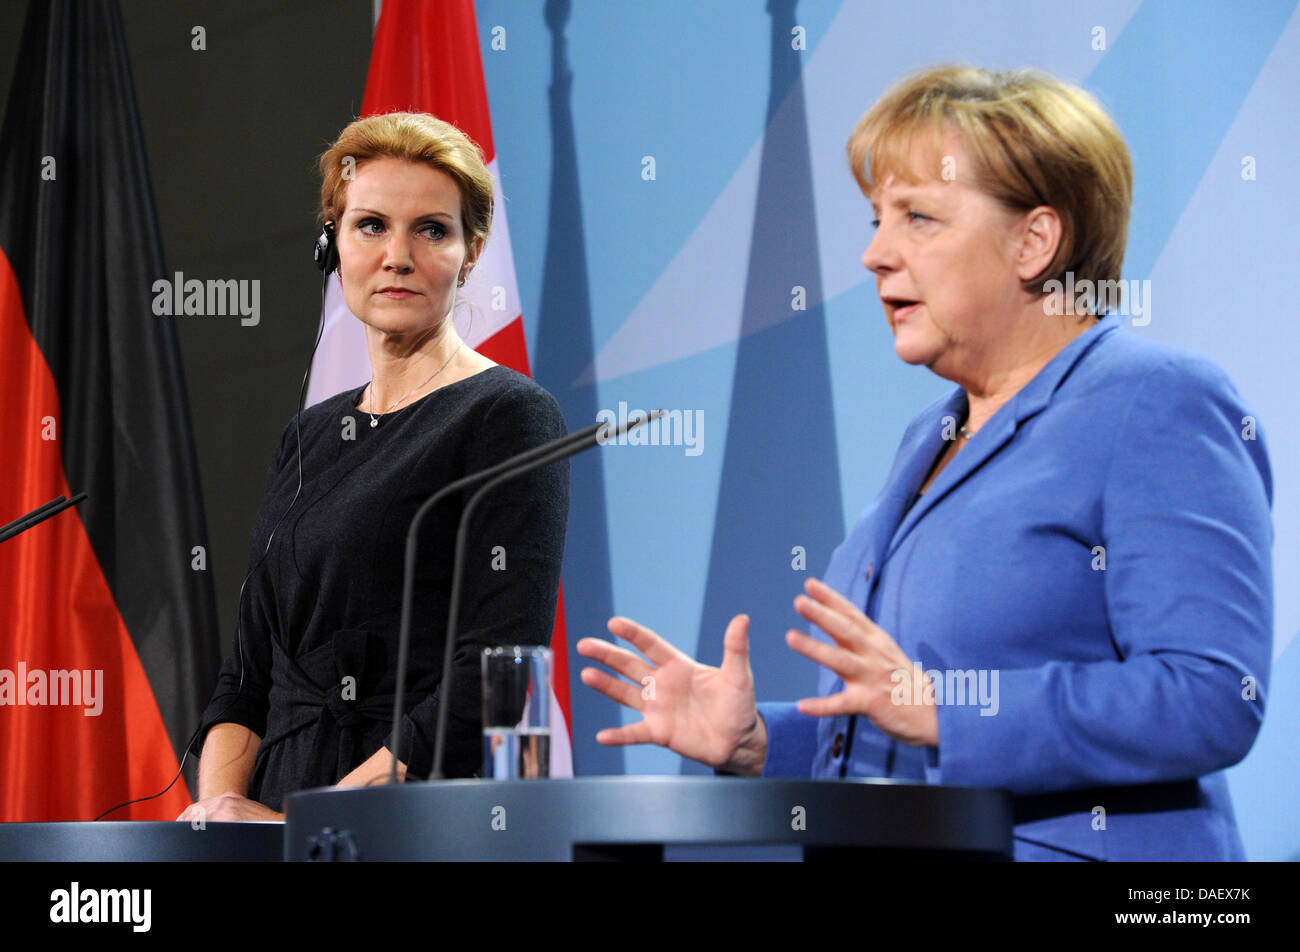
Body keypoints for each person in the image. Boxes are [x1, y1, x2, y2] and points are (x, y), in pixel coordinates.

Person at [577, 65, 1273, 861]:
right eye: (876, 218)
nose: (874, 254)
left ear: (1034, 240)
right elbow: (901, 733)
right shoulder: (930, 436)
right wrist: (757, 742)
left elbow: (1213, 697)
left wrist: (950, 706)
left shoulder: (1158, 404)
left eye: (918, 217)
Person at [180, 112, 569, 821]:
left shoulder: (507, 417)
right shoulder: (307, 437)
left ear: (471, 253)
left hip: (412, 822)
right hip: (275, 820)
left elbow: (493, 677)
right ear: (332, 245)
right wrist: (221, 818)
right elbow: (246, 676)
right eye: (370, 226)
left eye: (431, 229)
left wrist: (324, 822)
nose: (397, 255)